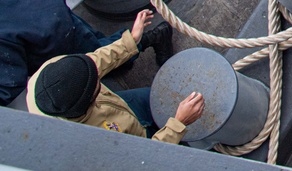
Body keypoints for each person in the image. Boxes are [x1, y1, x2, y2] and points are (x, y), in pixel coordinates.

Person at [26, 9, 203, 143]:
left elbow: (95, 62)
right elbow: (142, 161)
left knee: (160, 97)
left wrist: (130, 41)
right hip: (129, 139)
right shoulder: (89, 144)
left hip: (119, 105)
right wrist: (178, 125)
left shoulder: (51, 71)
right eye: (96, 84)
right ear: (87, 104)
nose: (98, 74)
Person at [0, 0, 173, 106]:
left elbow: (11, 82)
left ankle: (154, 37)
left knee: (97, 56)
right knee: (91, 40)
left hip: (53, 34)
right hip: (43, 6)